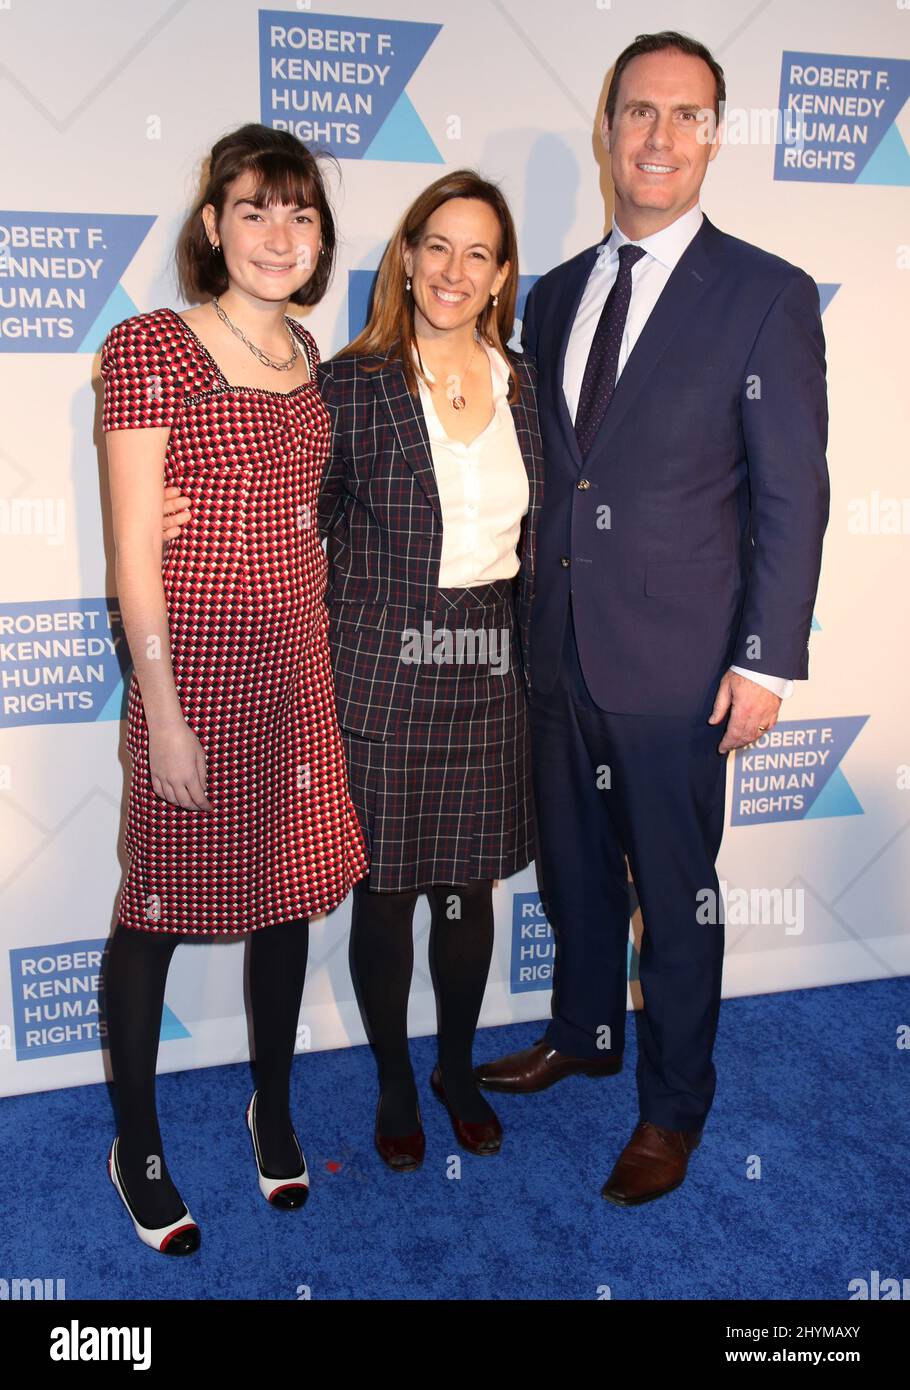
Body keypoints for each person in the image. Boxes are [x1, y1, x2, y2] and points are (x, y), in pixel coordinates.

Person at [475, 31, 830, 1206]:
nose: (658, 137)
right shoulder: (559, 291)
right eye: (638, 112)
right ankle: (582, 1029)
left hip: (680, 664)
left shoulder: (764, 294)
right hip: (559, 645)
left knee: (673, 895)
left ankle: (674, 1106)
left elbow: (790, 490)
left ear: (714, 135)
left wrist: (766, 659)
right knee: (574, 872)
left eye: (684, 115)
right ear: (607, 128)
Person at [163, 170, 543, 1171]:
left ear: (500, 274)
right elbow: (283, 500)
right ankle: (389, 1078)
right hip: (376, 673)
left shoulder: (526, 387)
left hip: (485, 671)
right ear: (406, 258)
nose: (453, 270)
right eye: (436, 246)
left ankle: (454, 1068)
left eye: (478, 253)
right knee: (382, 896)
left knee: (467, 899)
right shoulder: (354, 385)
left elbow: (552, 535)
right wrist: (171, 512)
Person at [99, 123, 368, 1254]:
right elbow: (130, 552)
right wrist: (160, 712)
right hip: (195, 665)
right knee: (155, 906)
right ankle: (139, 1140)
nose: (278, 233)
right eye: (253, 209)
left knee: (286, 890)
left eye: (300, 213)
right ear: (212, 226)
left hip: (295, 662)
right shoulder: (148, 345)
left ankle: (273, 1104)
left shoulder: (309, 349)